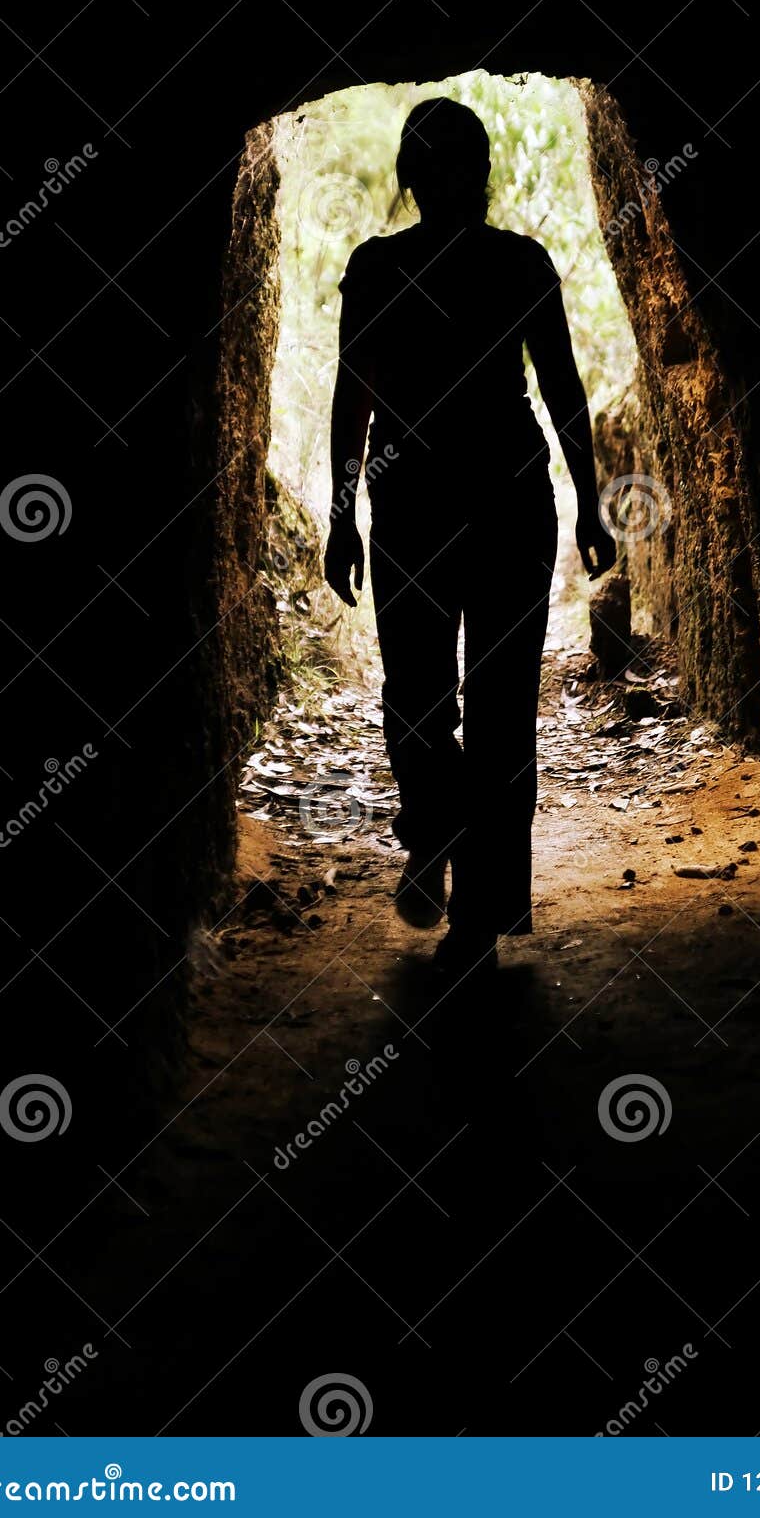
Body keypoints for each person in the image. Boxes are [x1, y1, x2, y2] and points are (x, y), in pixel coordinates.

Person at [324, 96, 615, 969]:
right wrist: (588, 501)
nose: (451, 180)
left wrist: (345, 517)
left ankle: (443, 849)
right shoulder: (516, 264)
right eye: (446, 164)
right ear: (430, 177)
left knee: (422, 696)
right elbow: (559, 394)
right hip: (505, 496)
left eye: (456, 165)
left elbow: (354, 405)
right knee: (493, 710)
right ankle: (470, 893)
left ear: (406, 178)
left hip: (416, 498)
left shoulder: (379, 269)